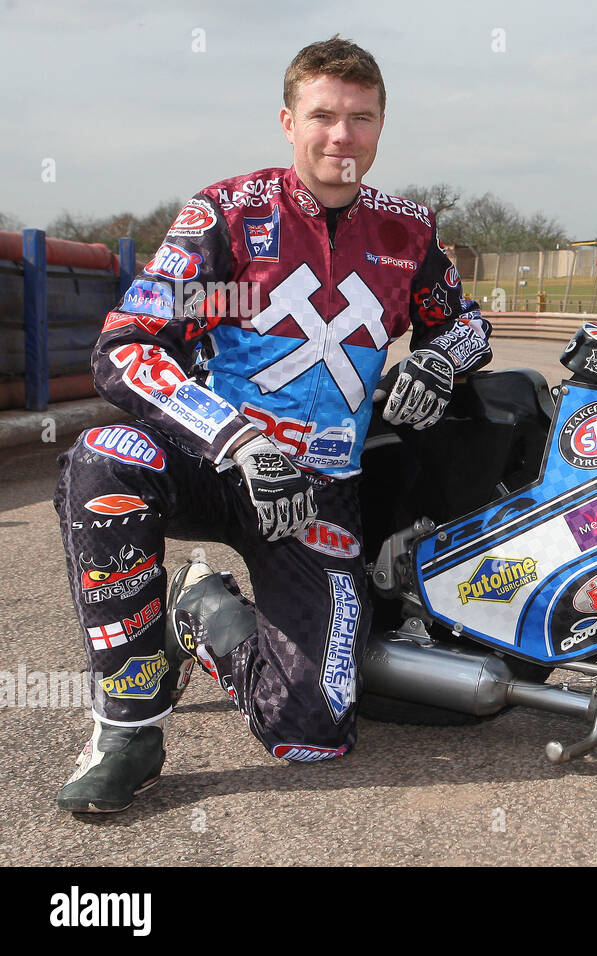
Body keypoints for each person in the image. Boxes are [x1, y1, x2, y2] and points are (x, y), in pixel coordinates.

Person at [54, 36, 491, 812]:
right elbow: (126, 346)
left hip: (320, 494)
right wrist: (238, 440)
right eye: (323, 115)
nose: (341, 136)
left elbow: (467, 327)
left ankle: (205, 612)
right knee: (104, 458)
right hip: (219, 463)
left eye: (360, 118)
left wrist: (440, 359)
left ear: (382, 126)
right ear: (288, 122)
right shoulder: (225, 215)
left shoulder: (409, 233)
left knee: (312, 732)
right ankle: (128, 730)